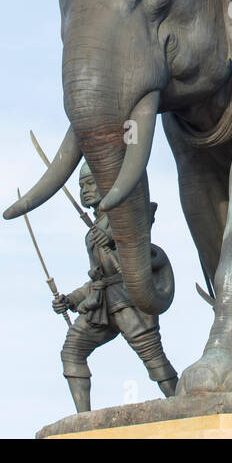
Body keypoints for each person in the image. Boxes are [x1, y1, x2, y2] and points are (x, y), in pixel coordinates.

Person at [53, 162, 178, 413]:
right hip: (101, 304)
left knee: (153, 358)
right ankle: (83, 419)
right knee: (72, 351)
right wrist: (71, 299)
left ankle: (180, 404)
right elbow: (99, 278)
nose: (85, 190)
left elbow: (141, 251)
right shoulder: (94, 228)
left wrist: (113, 240)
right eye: (81, 186)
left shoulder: (124, 215)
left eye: (90, 183)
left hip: (129, 298)